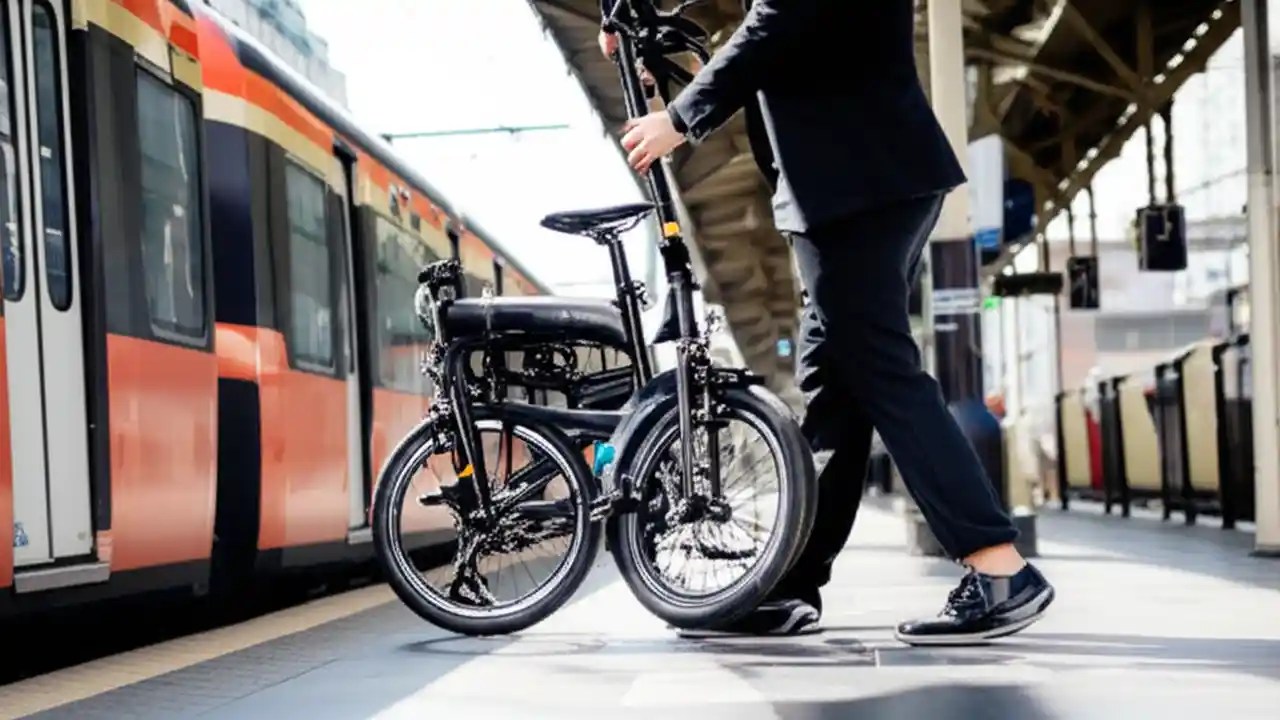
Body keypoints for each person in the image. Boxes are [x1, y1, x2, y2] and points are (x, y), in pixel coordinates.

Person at [597, 0, 1055, 646]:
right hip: (865, 179)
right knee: (834, 390)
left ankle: (998, 566)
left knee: (879, 370)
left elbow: (777, 21)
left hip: (854, 187)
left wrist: (678, 119)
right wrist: (645, 34)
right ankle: (792, 586)